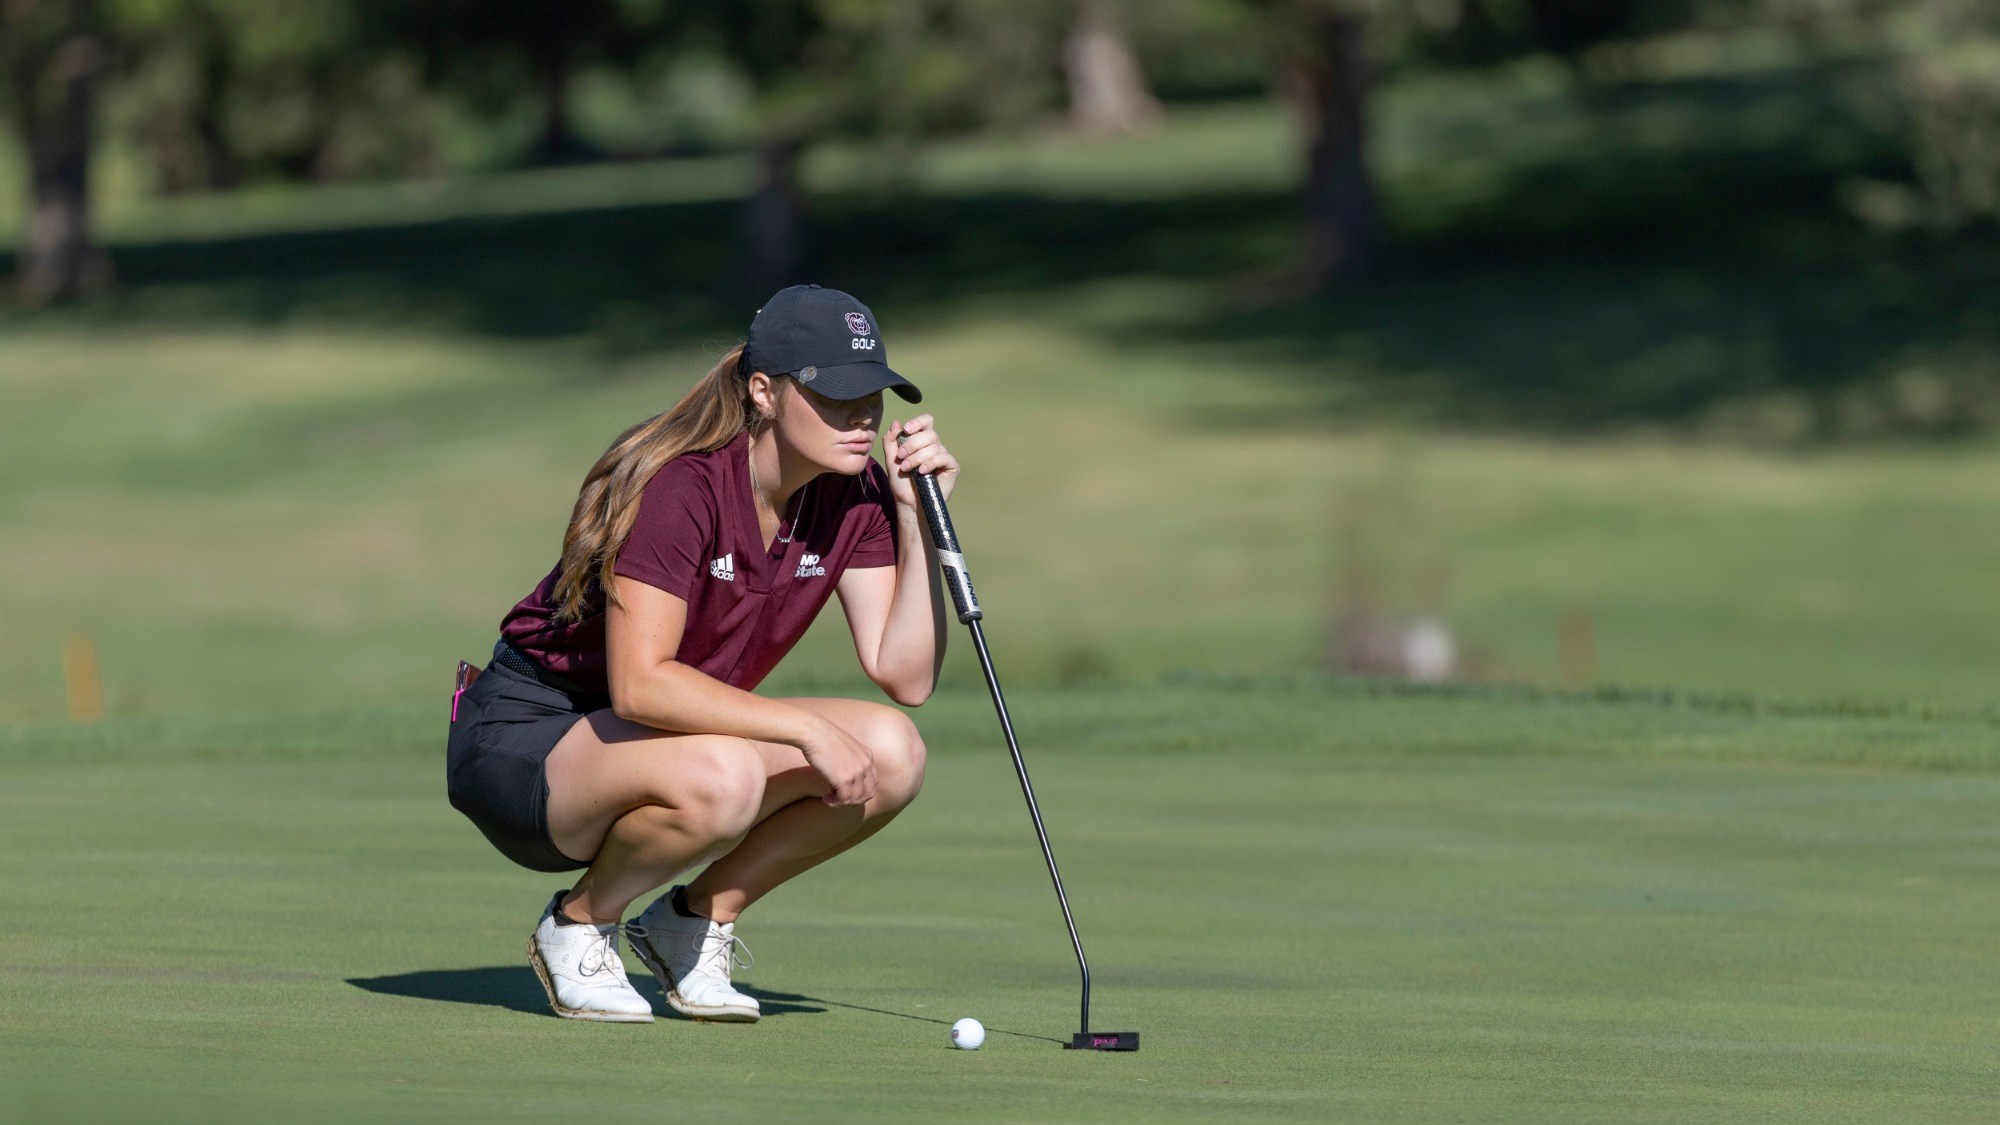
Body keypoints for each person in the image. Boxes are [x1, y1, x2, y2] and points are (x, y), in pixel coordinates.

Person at [446, 285, 956, 1023]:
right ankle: (579, 924)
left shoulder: (859, 496)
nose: (863, 416)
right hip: (528, 742)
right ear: (765, 392)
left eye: (872, 394)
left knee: (892, 751)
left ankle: (694, 918)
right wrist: (805, 729)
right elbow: (641, 686)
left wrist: (914, 519)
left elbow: (905, 676)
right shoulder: (680, 485)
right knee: (728, 772)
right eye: (837, 394)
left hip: (663, 739)